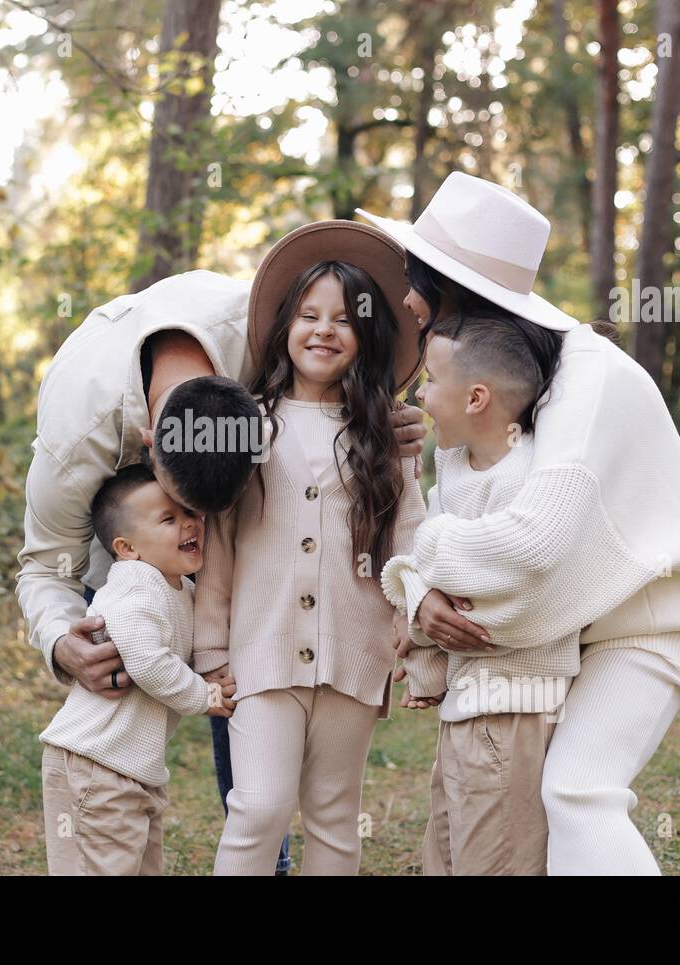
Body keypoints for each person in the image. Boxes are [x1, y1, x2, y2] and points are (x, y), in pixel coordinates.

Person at [357, 171, 680, 874]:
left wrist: (428, 559)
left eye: (418, 277)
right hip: (579, 616)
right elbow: (452, 529)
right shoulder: (495, 397)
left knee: (577, 790)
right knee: (551, 800)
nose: (408, 297)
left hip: (655, 615)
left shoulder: (584, 375)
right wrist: (420, 593)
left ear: (455, 288)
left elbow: (529, 544)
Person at [16, 261, 427, 875]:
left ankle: (276, 862)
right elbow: (45, 565)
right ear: (153, 444)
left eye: (202, 521)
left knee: (315, 802)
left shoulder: (265, 336)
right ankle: (109, 794)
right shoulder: (76, 441)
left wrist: (392, 419)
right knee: (247, 787)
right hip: (157, 549)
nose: (324, 329)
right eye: (184, 515)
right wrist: (59, 643)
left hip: (333, 640)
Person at [193, 221, 427, 875]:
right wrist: (211, 650)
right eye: (308, 314)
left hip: (356, 652)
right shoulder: (248, 423)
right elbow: (220, 544)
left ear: (366, 337)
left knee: (333, 813)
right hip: (260, 652)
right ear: (285, 327)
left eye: (343, 320)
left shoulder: (385, 436)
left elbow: (409, 534)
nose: (324, 330)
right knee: (259, 807)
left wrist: (411, 615)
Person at [381, 305, 581, 875]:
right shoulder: (457, 469)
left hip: (512, 708)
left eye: (431, 381)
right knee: (448, 851)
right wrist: (421, 610)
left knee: (495, 860)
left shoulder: (524, 481)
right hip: (469, 708)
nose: (420, 395)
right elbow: (429, 572)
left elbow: (489, 608)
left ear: (476, 398)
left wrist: (418, 604)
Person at [39, 465, 238, 874]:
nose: (188, 524)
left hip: (131, 768)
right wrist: (205, 695)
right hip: (96, 765)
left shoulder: (179, 587)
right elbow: (147, 661)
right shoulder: (135, 586)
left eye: (189, 513)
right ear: (127, 548)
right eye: (169, 519)